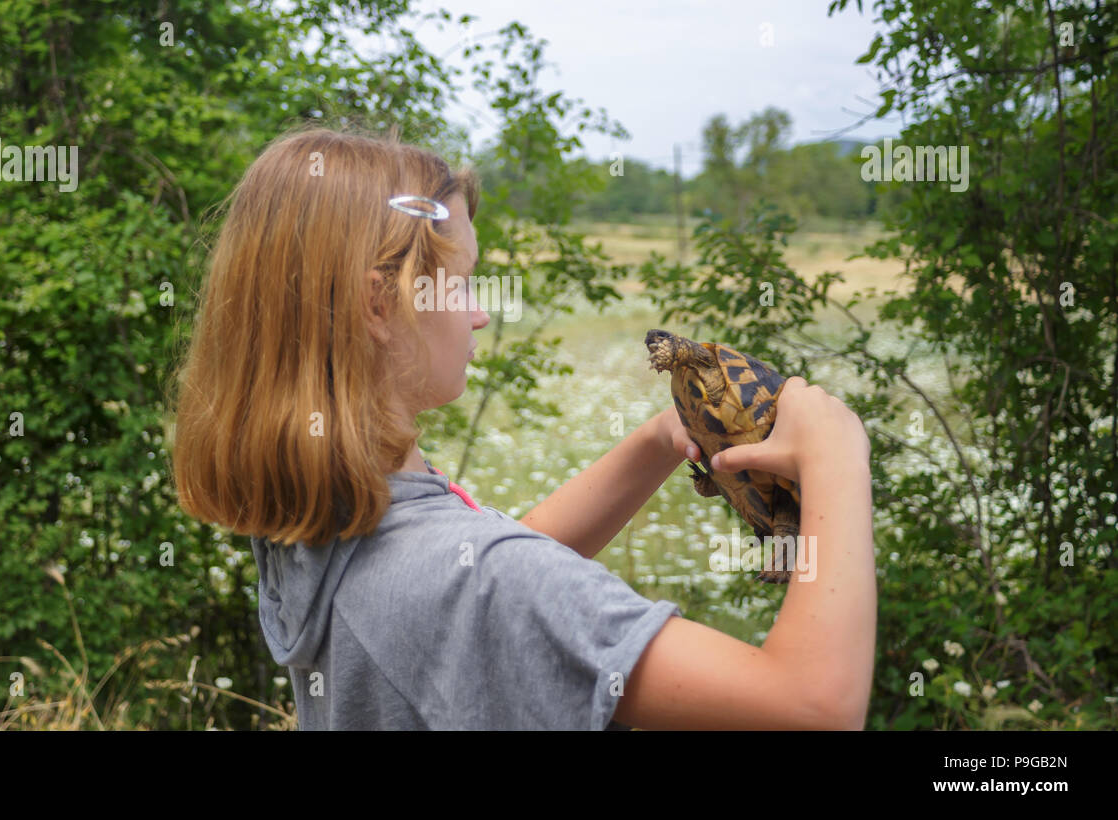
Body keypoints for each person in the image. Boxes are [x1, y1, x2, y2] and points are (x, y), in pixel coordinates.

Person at [169, 125, 876, 730]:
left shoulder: (325, 516)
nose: (479, 313)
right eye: (464, 281)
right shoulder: (467, 578)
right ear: (378, 306)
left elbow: (488, 568)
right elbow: (812, 705)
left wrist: (661, 439)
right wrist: (838, 452)